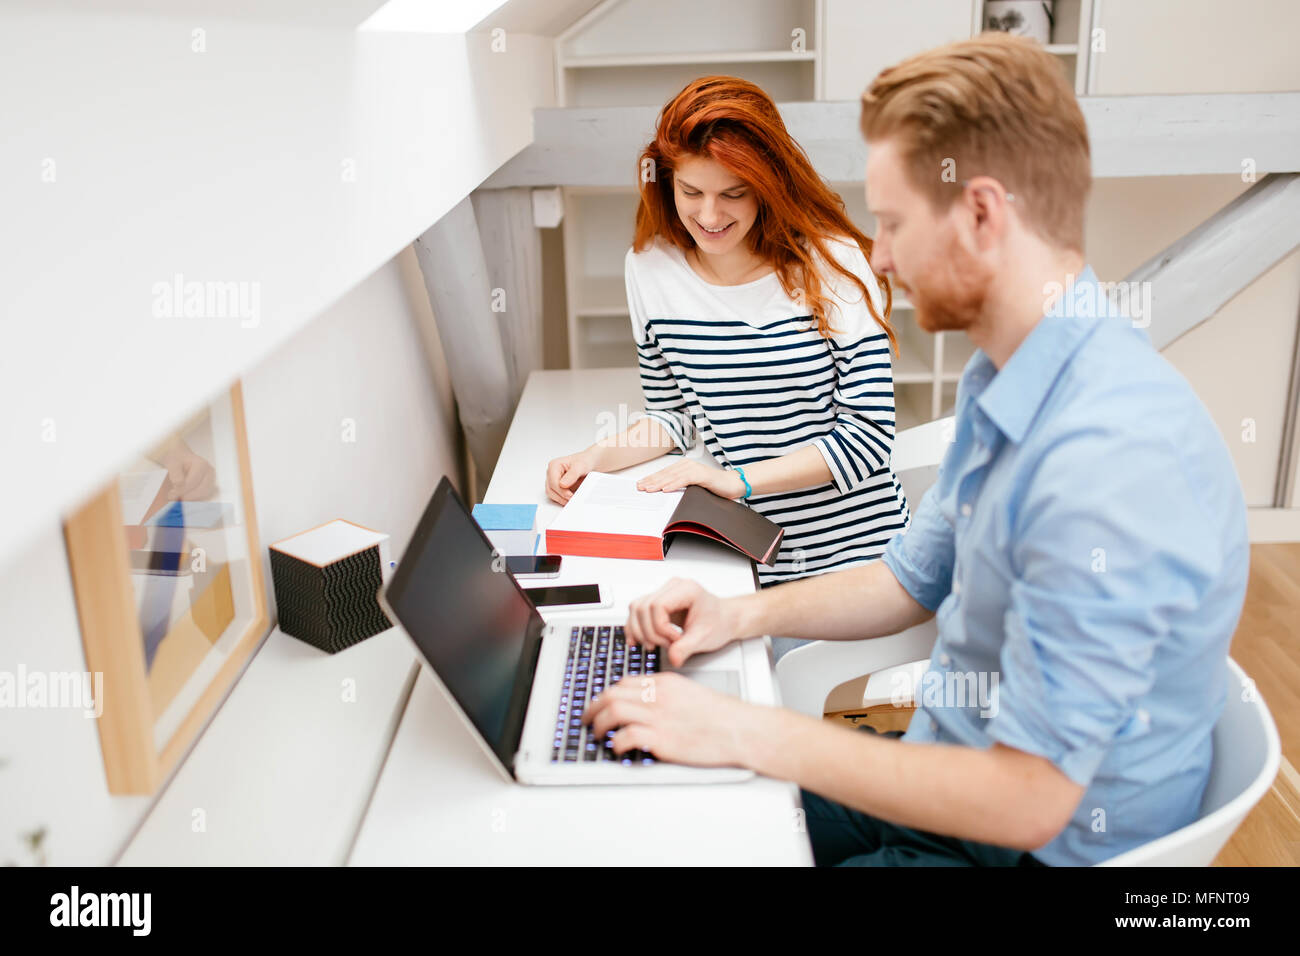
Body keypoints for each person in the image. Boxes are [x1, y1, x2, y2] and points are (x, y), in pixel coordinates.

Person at [583, 34, 1250, 867]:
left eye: (893, 223)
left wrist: (750, 731)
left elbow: (1030, 800)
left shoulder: (1103, 465)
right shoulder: (1010, 378)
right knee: (663, 820)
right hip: (937, 783)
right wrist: (738, 614)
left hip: (1013, 847)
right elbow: (908, 579)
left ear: (979, 214)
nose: (880, 256)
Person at [545, 76, 910, 632]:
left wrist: (738, 480)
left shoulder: (830, 262)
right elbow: (675, 415)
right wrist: (594, 459)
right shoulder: (649, 270)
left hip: (856, 565)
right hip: (739, 555)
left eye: (733, 193)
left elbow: (868, 440)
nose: (710, 215)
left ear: (768, 185)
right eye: (691, 192)